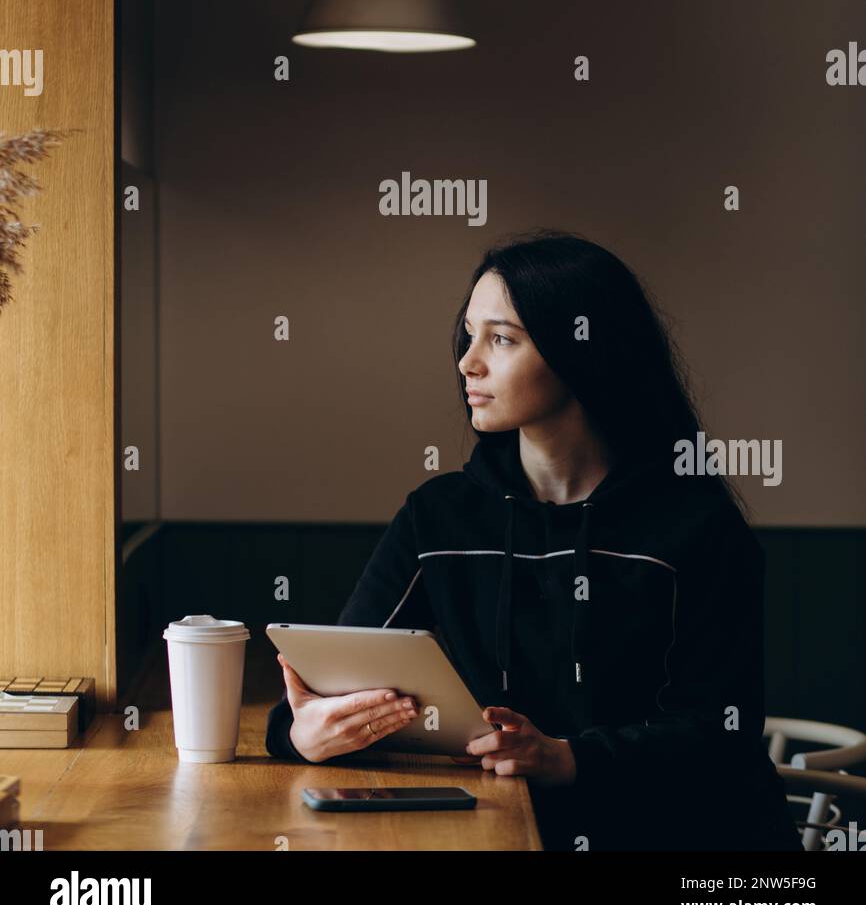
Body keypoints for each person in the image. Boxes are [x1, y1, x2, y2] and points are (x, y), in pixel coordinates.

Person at [265, 231, 803, 852]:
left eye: (501, 339)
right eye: (469, 335)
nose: (468, 362)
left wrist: (564, 758)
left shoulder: (695, 526)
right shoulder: (438, 517)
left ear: (583, 350)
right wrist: (305, 735)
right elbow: (322, 689)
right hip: (510, 834)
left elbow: (720, 733)